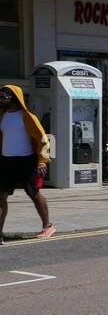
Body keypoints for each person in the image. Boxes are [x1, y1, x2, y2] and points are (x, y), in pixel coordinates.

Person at [0, 84, 56, 243]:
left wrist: (43, 161)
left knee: (33, 193)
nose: (2, 97)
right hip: (6, 161)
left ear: (15, 97)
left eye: (5, 95)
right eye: (1, 94)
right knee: (1, 197)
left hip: (27, 161)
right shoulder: (2, 116)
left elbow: (42, 139)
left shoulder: (27, 117)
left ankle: (48, 226)